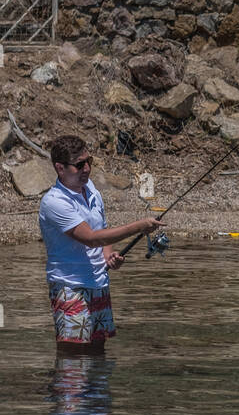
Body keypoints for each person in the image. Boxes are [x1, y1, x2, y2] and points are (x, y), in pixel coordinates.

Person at [38, 135, 162, 355]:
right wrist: (139, 226)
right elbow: (91, 238)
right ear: (60, 168)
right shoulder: (54, 202)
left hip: (99, 283)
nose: (87, 168)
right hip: (70, 287)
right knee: (73, 360)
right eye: (79, 165)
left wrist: (109, 255)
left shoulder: (92, 190)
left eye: (89, 161)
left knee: (97, 356)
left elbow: (102, 231)